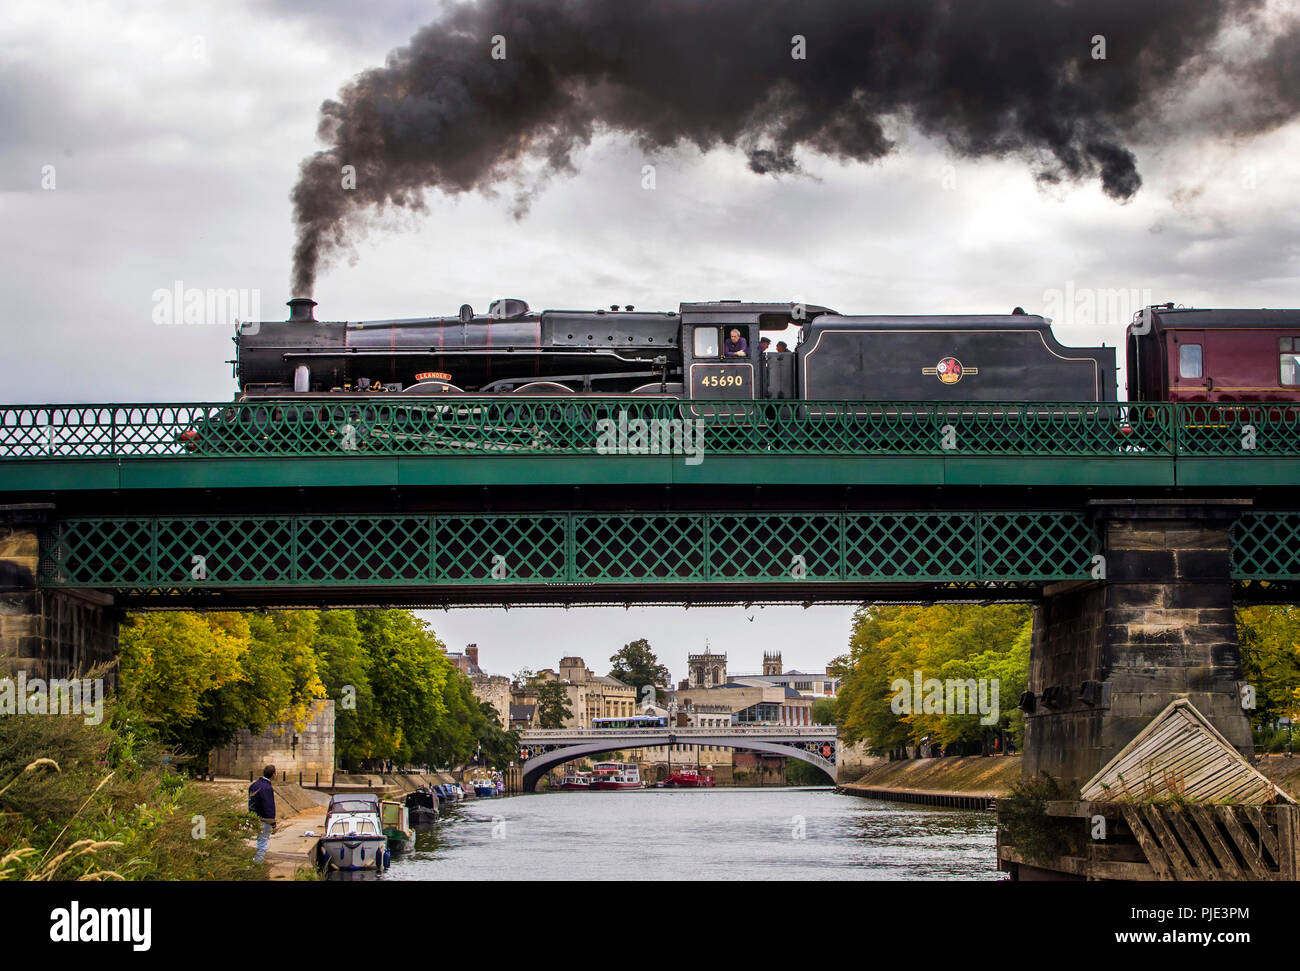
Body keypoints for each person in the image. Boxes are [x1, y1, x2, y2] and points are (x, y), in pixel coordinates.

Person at [249, 764, 276, 862]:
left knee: (259, 841)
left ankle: (256, 862)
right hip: (264, 819)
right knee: (262, 844)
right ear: (273, 774)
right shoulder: (267, 788)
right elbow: (268, 806)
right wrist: (273, 822)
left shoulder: (254, 785)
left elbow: (250, 803)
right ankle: (257, 864)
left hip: (255, 817)